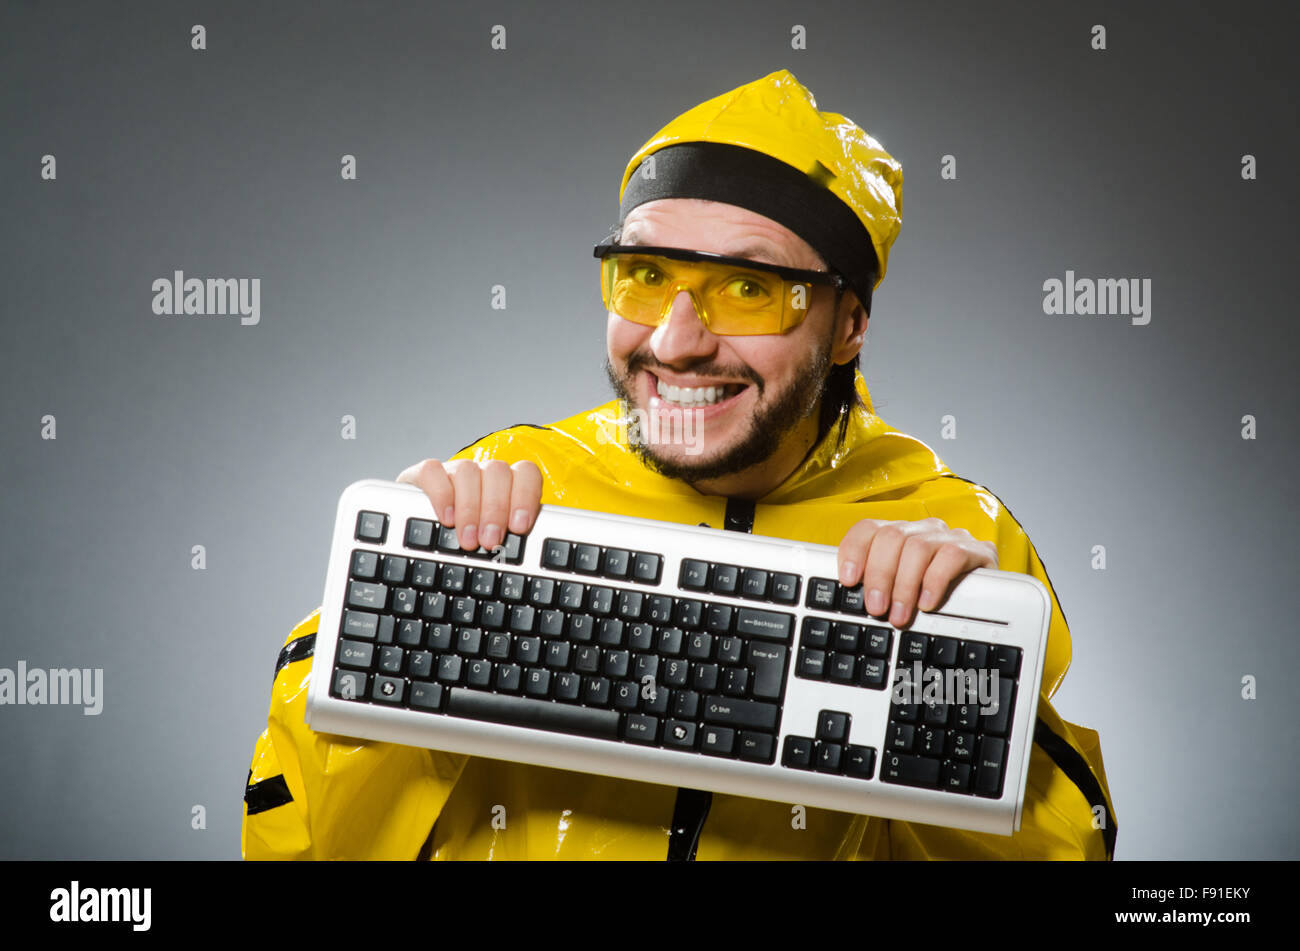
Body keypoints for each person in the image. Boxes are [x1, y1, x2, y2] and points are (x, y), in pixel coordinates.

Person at [242, 69, 1116, 860]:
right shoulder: (507, 483)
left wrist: (949, 676)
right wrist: (393, 616)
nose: (676, 341)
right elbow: (298, 846)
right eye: (647, 275)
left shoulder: (953, 534)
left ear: (849, 324)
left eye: (748, 289)